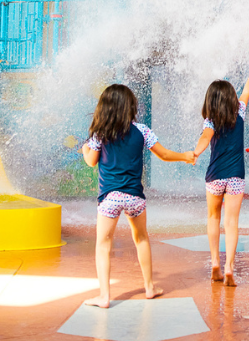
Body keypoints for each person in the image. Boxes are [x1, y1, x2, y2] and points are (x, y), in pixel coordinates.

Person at [81, 84, 195, 308]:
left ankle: (104, 297)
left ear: (104, 108)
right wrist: (185, 156)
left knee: (103, 245)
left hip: (110, 197)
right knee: (141, 238)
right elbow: (163, 154)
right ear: (130, 107)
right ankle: (150, 287)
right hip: (134, 196)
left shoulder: (100, 133)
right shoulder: (142, 131)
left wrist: (85, 149)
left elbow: (91, 161)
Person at [192, 57, 249, 287]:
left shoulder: (210, 121)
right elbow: (247, 89)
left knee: (213, 217)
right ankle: (230, 266)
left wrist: (196, 153)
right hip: (236, 176)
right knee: (232, 222)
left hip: (215, 176)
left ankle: (215, 263)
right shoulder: (239, 113)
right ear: (232, 98)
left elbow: (205, 139)